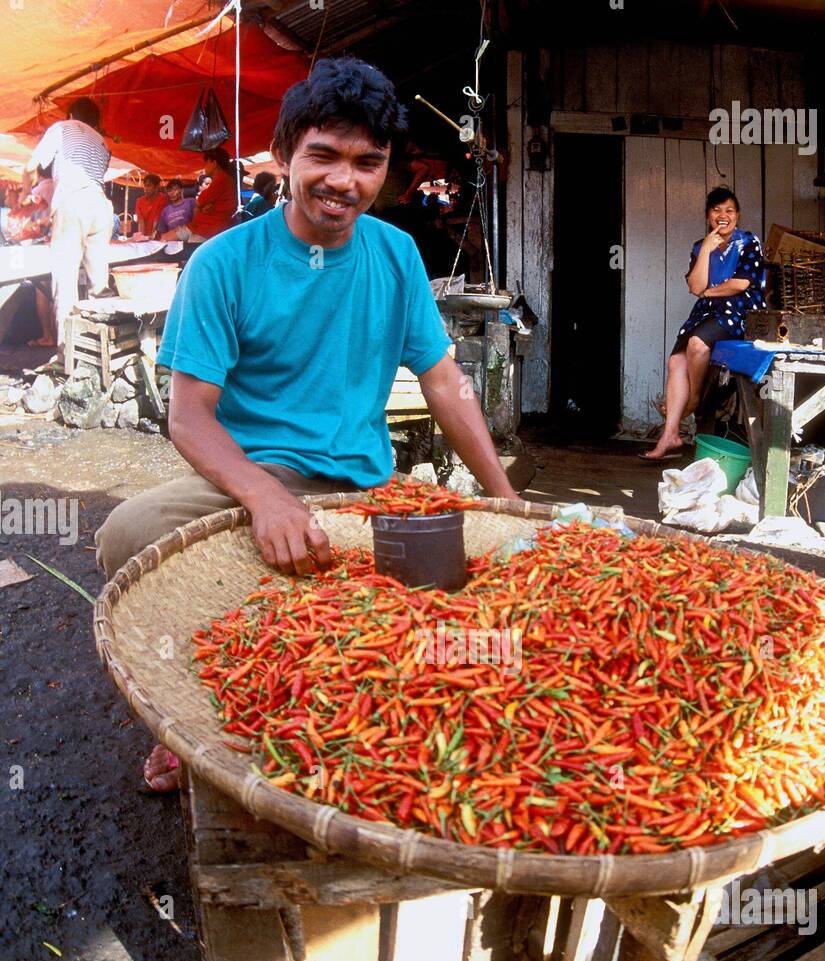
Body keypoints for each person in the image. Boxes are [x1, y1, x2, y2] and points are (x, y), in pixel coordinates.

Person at [94, 57, 519, 791]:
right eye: (323, 155)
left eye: (366, 163)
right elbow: (189, 419)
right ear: (285, 157)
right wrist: (262, 497)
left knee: (477, 617)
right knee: (123, 535)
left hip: (363, 481)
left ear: (386, 170)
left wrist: (504, 499)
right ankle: (178, 712)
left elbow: (444, 382)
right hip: (254, 474)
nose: (343, 181)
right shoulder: (224, 262)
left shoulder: (395, 254)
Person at [640, 186, 766, 461]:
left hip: (741, 310)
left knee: (697, 345)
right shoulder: (701, 246)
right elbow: (695, 285)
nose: (723, 215)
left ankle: (695, 399)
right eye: (717, 210)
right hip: (708, 311)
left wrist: (707, 292)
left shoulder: (748, 241)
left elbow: (740, 284)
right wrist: (707, 250)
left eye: (729, 210)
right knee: (675, 362)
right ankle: (670, 435)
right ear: (708, 215)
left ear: (738, 215)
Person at [22, 96, 113, 351]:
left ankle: (66, 355)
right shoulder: (102, 141)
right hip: (101, 205)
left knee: (65, 279)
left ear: (72, 115)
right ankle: (98, 349)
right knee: (99, 286)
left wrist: (24, 195)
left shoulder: (62, 128)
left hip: (73, 198)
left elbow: (31, 167)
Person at [169, 148, 237, 244]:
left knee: (190, 252)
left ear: (214, 163)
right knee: (165, 238)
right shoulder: (222, 180)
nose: (205, 167)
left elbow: (199, 200)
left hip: (208, 231)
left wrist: (201, 206)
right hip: (198, 227)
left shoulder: (222, 179)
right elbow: (200, 204)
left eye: (206, 163)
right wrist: (202, 207)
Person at [133, 174, 168, 239]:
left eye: (149, 186)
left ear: (156, 187)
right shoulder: (139, 201)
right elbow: (141, 222)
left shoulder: (163, 198)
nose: (145, 189)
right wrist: (142, 237)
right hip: (146, 237)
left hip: (159, 236)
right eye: (145, 186)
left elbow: (157, 222)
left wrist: (152, 238)